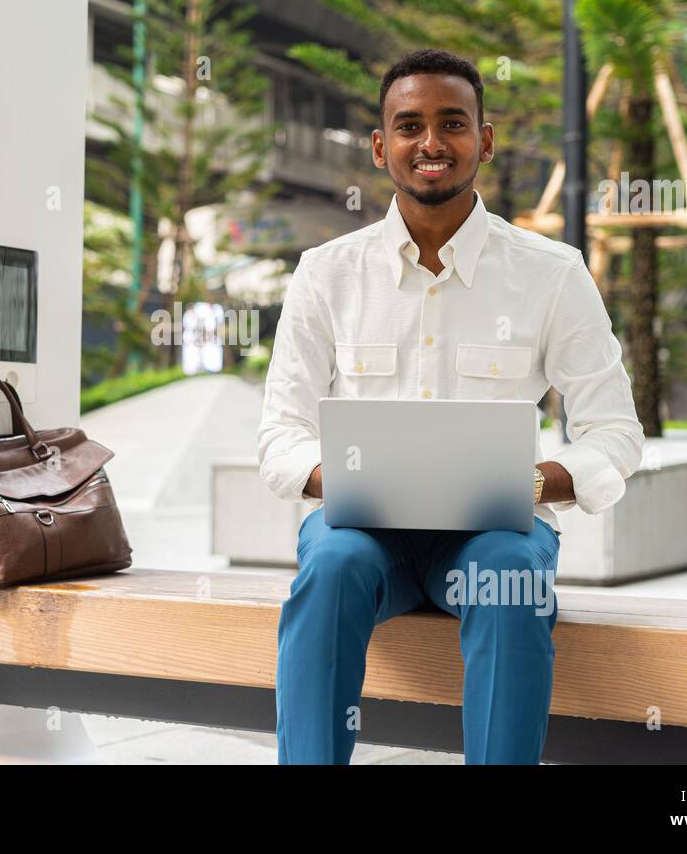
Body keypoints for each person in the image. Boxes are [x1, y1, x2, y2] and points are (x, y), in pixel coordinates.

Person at [257, 48, 645, 764]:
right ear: (381, 147)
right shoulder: (326, 274)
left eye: (453, 123)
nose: (431, 142)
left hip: (493, 533)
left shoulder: (552, 274)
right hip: (367, 533)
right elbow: (281, 433)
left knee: (510, 574)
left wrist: (531, 483)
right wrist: (347, 479)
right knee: (332, 564)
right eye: (409, 125)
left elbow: (615, 432)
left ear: (484, 140)